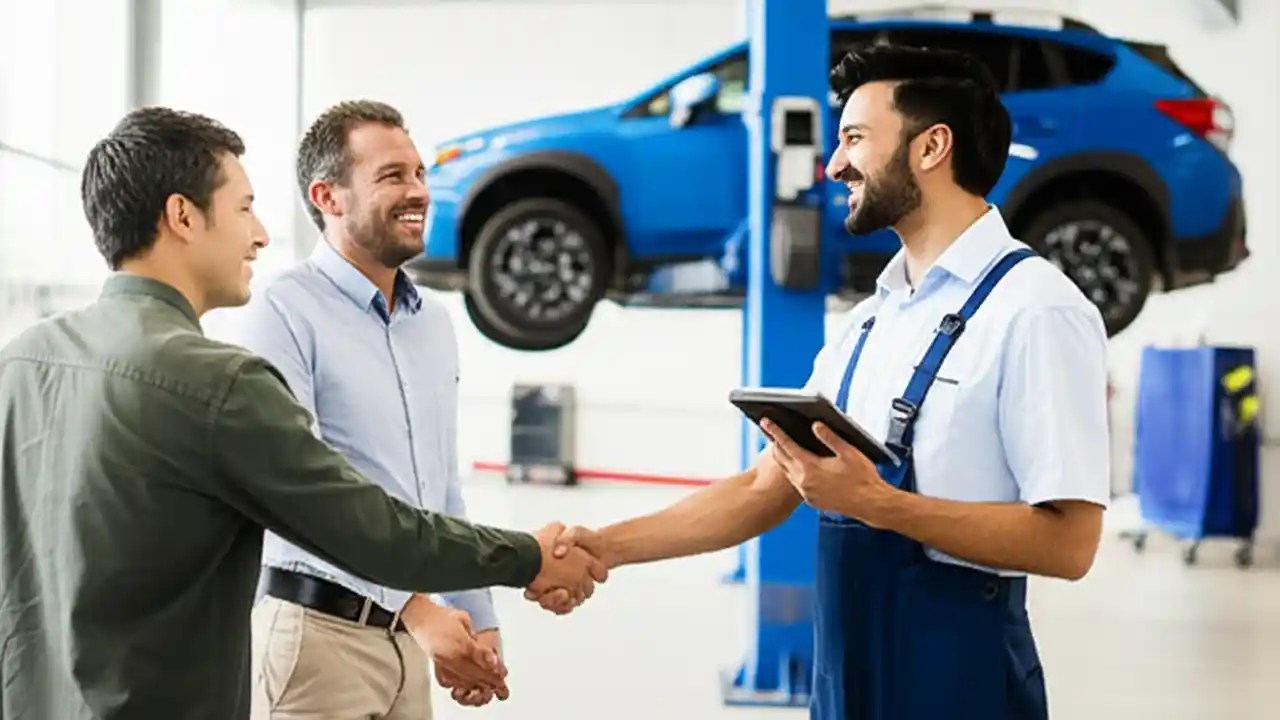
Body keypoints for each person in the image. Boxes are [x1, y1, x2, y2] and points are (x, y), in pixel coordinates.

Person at [530, 44, 1111, 719]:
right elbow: (762, 487)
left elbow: (1069, 544)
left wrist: (884, 506)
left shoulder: (1038, 310)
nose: (834, 165)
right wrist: (605, 547)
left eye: (855, 139)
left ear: (932, 147)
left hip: (963, 677)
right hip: (847, 669)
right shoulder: (871, 322)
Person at [0, 106, 605, 720]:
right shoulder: (219, 380)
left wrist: (476, 609)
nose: (261, 234)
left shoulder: (20, 363)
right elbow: (370, 529)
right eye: (244, 208)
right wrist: (528, 556)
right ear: (183, 216)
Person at [230, 100, 503, 719]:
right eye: (392, 177)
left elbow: (439, 492)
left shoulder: (432, 323)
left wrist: (477, 618)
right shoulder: (282, 310)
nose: (417, 192)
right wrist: (421, 608)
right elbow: (299, 491)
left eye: (419, 174)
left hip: (409, 643)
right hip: (316, 642)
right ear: (329, 196)